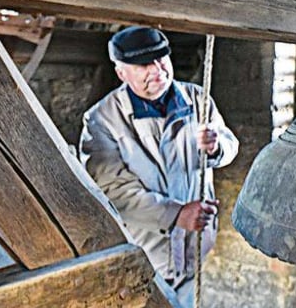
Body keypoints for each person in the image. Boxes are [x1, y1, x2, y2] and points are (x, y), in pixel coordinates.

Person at [79, 26, 238, 307]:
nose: (157, 69)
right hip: (143, 249)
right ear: (121, 73)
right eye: (143, 65)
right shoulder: (101, 120)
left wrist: (216, 147)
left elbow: (229, 144)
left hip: (195, 244)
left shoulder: (197, 99)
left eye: (161, 58)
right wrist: (176, 214)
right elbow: (113, 192)